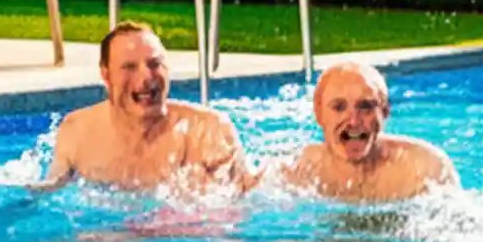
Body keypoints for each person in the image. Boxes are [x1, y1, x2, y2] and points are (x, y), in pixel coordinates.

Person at [33, 21, 251, 193]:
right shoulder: (77, 131)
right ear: (106, 75)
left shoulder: (206, 130)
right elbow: (51, 190)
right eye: (129, 67)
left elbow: (242, 198)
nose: (147, 77)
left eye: (155, 64)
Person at [279, 61, 459, 202]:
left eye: (365, 107)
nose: (353, 121)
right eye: (339, 107)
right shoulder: (294, 172)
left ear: (385, 112)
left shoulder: (424, 170)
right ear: (318, 114)